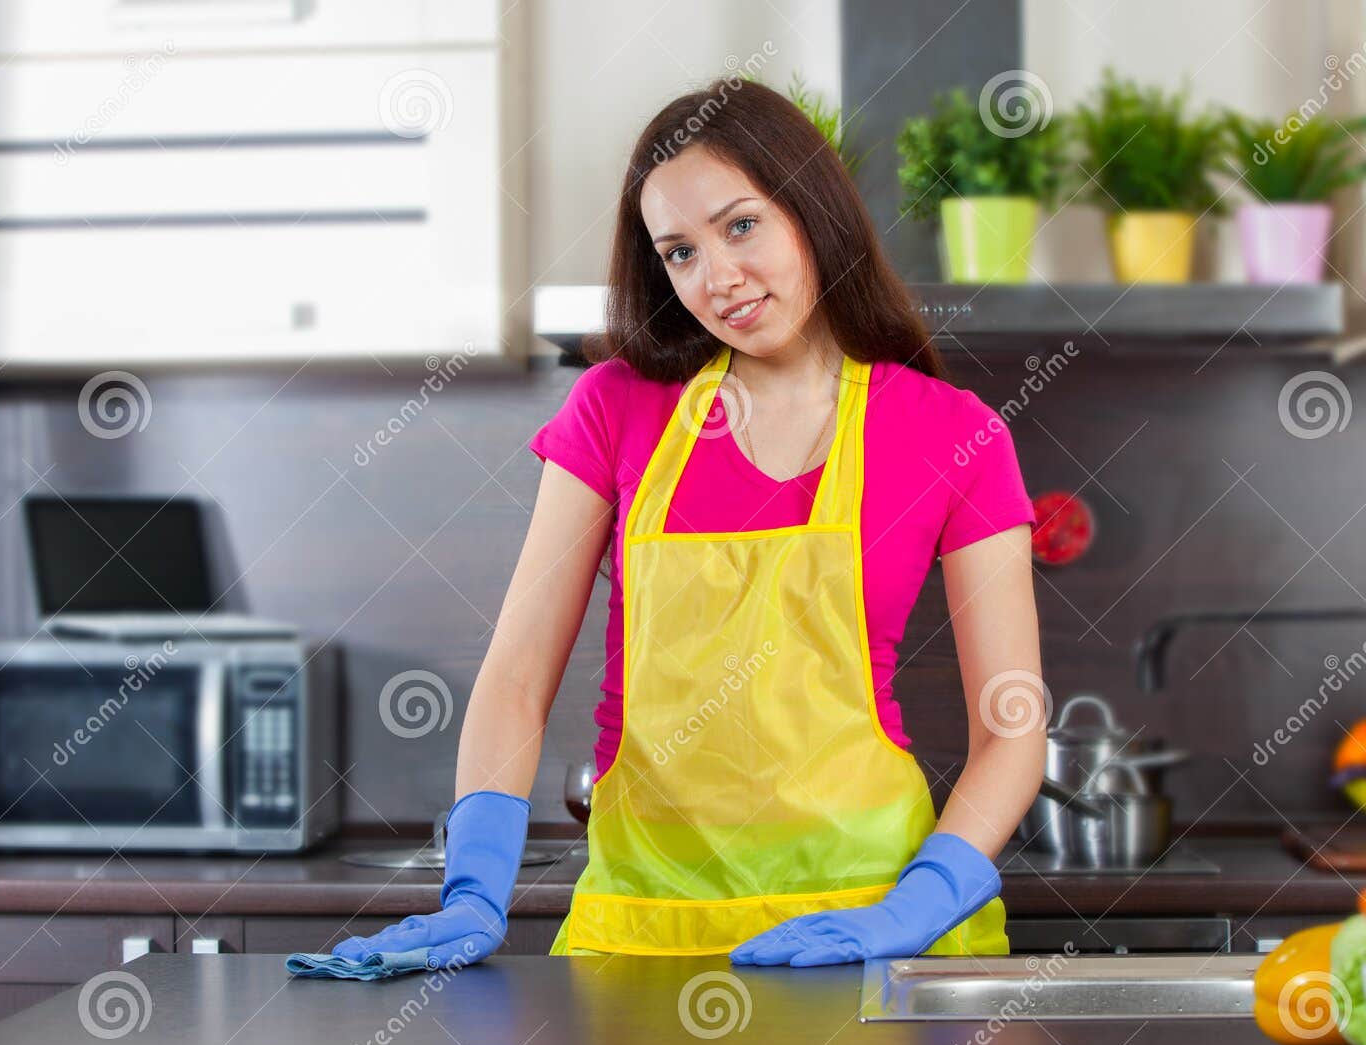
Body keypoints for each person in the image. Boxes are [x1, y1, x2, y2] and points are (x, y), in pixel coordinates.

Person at [330, 77, 1046, 969]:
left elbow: (1013, 726)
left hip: (873, 931)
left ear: (812, 211)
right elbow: (515, 677)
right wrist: (476, 889)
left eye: (741, 225)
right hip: (644, 933)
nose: (720, 279)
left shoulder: (953, 432)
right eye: (679, 252)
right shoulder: (617, 410)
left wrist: (917, 905)